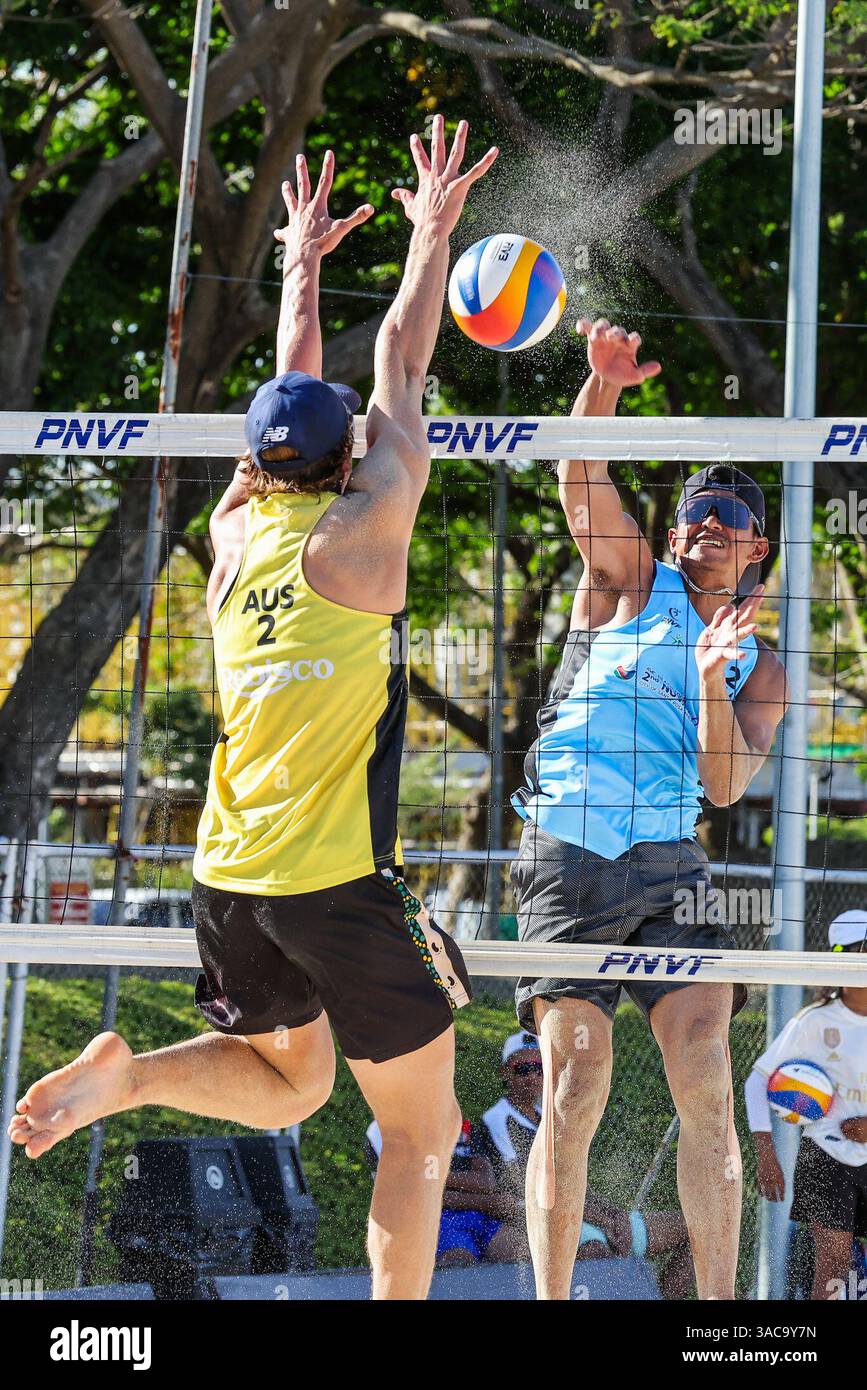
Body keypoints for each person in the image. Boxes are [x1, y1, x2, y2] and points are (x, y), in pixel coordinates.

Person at [7, 118, 497, 1302]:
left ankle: (126, 1077)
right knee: (422, 1140)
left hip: (231, 873)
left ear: (261, 463)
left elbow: (307, 390)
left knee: (296, 1084)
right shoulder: (367, 532)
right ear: (346, 462)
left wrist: (299, 264)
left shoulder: (234, 531)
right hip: (333, 882)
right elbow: (403, 360)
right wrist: (432, 229)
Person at [509, 318, 789, 1299]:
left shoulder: (764, 666)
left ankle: (724, 1316)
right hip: (571, 844)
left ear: (757, 548)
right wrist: (604, 387)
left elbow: (723, 787)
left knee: (709, 1082)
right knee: (575, 1087)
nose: (712, 518)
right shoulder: (633, 580)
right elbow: (579, 482)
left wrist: (713, 678)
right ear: (677, 535)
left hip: (672, 861)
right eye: (699, 508)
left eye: (733, 513)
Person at [478, 1032, 694, 1298]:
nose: (533, 1076)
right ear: (505, 1073)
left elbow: (577, 1182)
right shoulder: (497, 1119)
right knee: (597, 1252)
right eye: (522, 1069)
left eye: (540, 1067)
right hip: (542, 1220)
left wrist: (614, 1215)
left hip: (585, 1214)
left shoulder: (552, 1113)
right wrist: (601, 1220)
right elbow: (527, 1186)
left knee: (694, 1229)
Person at [746, 910, 867, 1300]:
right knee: (832, 1269)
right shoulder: (814, 1022)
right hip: (825, 1158)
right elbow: (757, 1082)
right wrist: (766, 1154)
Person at [364, 1116, 525, 1266]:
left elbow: (486, 1182)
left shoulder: (463, 1126)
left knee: (520, 1252)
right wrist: (485, 1202)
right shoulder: (383, 1131)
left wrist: (430, 1176)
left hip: (479, 1215)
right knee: (459, 1262)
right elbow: (416, 1196)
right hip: (435, 1220)